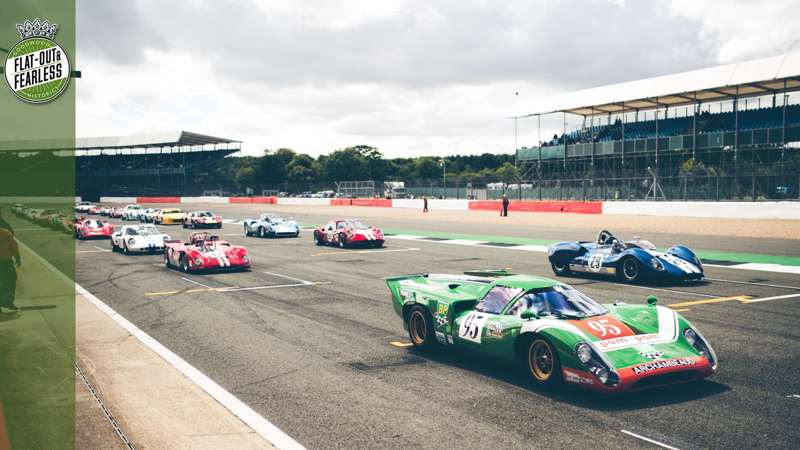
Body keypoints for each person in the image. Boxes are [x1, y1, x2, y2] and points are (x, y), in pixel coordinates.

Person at [0, 220, 20, 312]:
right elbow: (13, 246)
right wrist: (17, 257)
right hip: (5, 262)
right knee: (10, 281)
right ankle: (7, 302)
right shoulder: (5, 233)